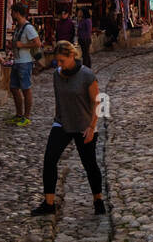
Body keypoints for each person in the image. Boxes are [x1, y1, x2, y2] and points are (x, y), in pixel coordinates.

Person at [31, 40, 104, 216]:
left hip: (83, 126)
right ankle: (49, 204)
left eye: (62, 61)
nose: (59, 65)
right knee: (49, 160)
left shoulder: (87, 76)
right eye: (57, 61)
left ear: (72, 56)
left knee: (90, 164)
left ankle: (98, 200)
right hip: (62, 123)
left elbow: (98, 102)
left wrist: (92, 126)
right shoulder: (57, 75)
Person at [7, 3, 40, 126]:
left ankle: (26, 116)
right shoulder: (18, 27)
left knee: (26, 89)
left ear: (16, 13)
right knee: (14, 88)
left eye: (12, 12)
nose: (11, 14)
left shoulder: (28, 28)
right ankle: (19, 114)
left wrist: (22, 46)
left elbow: (37, 43)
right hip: (17, 62)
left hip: (25, 63)